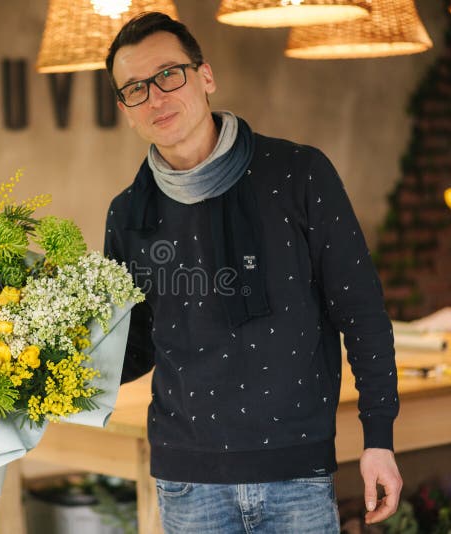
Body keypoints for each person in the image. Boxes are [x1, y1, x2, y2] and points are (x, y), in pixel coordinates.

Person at [103, 12, 402, 533]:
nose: (155, 98)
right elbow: (137, 346)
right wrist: (39, 360)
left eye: (168, 75)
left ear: (206, 77)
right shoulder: (128, 213)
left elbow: (362, 314)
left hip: (297, 474)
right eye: (135, 89)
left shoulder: (299, 174)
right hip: (188, 483)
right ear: (126, 110)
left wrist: (379, 439)